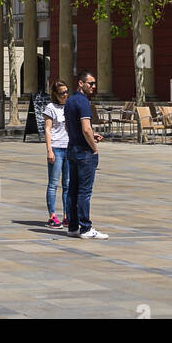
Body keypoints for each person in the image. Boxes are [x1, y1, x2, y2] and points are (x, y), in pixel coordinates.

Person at [64, 71, 108, 240]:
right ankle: (86, 228)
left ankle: (73, 227)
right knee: (84, 191)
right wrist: (94, 147)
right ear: (81, 83)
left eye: (94, 83)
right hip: (84, 152)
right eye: (90, 83)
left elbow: (69, 127)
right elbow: (86, 128)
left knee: (72, 190)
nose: (94, 87)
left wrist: (85, 136)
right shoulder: (83, 102)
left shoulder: (69, 101)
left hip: (72, 149)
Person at [44, 79, 70, 227]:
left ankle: (67, 215)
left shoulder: (69, 107)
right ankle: (52, 215)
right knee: (53, 184)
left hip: (69, 148)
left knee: (67, 185)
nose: (65, 95)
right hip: (56, 148)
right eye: (61, 93)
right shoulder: (50, 108)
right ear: (55, 94)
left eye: (66, 92)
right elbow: (47, 130)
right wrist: (49, 150)